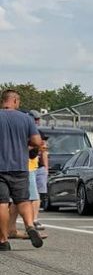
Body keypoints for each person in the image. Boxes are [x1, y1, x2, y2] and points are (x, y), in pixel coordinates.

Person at [0, 89, 44, 250]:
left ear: (3, 101)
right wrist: (27, 145)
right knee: (23, 200)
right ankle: (30, 226)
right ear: (16, 101)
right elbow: (37, 141)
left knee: (2, 203)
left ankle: (3, 240)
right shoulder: (26, 119)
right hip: (20, 166)